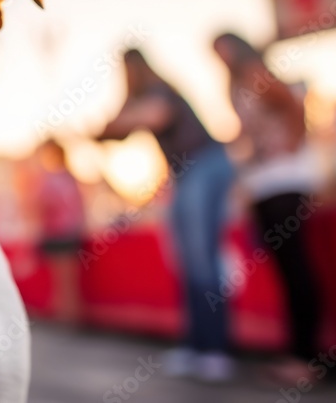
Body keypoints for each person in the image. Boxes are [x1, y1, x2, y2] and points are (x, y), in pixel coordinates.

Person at [97, 48, 235, 382]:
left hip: (206, 164)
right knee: (187, 262)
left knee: (203, 260)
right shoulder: (139, 98)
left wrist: (116, 123)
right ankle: (197, 346)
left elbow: (152, 116)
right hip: (185, 175)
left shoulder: (158, 90)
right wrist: (109, 128)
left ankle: (216, 350)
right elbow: (115, 130)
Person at [213, 32, 323, 383]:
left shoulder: (255, 73)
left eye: (223, 48)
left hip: (284, 180)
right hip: (263, 184)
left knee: (296, 268)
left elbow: (292, 103)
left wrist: (291, 141)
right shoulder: (236, 85)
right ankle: (297, 354)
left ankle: (306, 358)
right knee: (285, 270)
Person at [34, 139, 85, 323]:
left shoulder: (50, 179)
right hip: (70, 232)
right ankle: (71, 316)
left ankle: (66, 317)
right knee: (69, 280)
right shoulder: (70, 178)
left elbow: (43, 206)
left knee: (61, 281)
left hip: (57, 233)